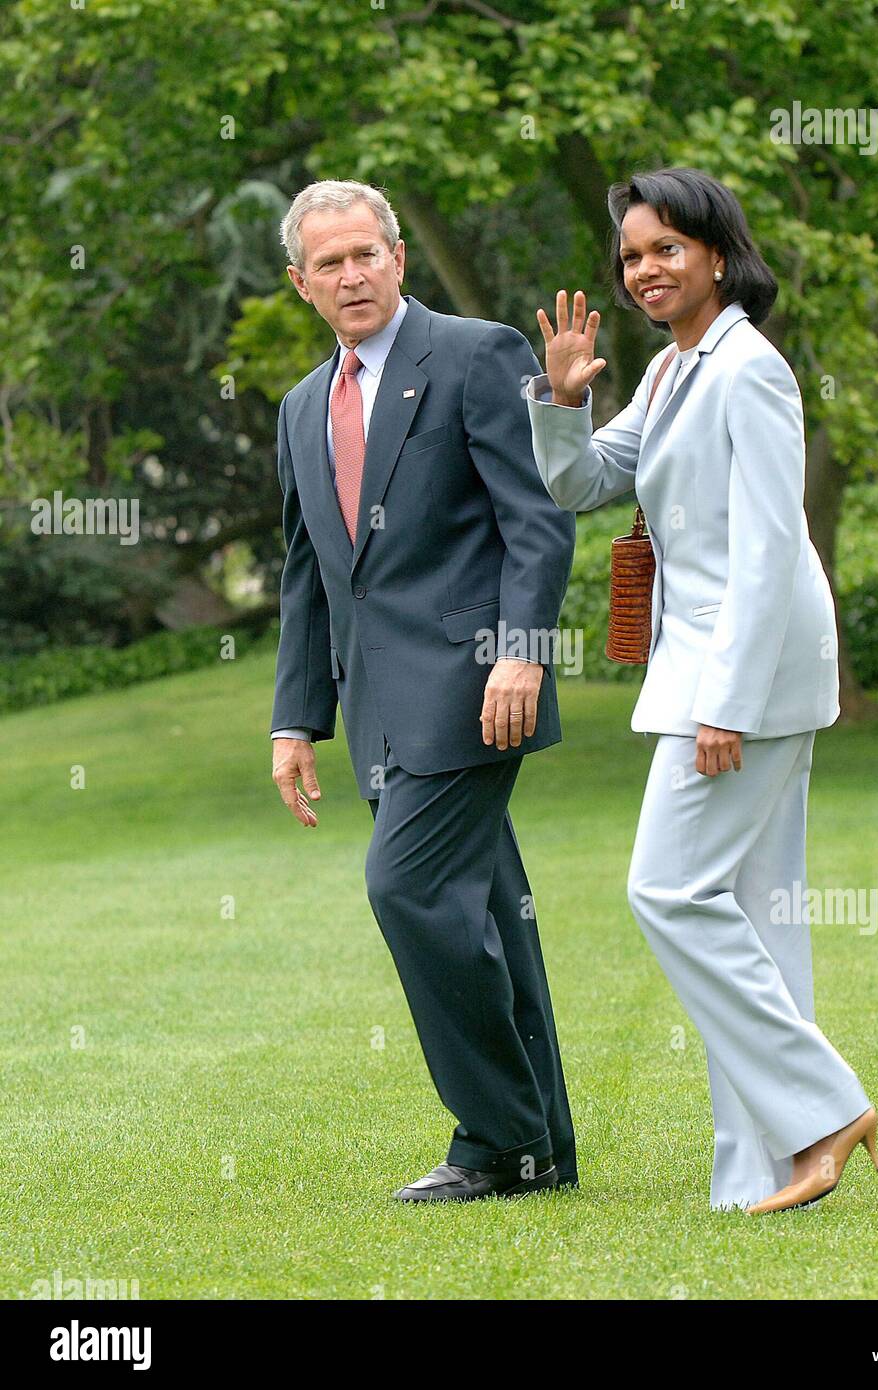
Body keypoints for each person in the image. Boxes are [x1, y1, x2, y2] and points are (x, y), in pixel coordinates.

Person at [526, 167, 878, 1213]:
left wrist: (723, 699)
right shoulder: (675, 372)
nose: (645, 269)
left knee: (666, 890)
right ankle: (764, 1165)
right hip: (716, 674)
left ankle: (823, 1108)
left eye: (666, 249)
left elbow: (775, 549)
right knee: (757, 915)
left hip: (745, 680)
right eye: (632, 255)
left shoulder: (748, 371)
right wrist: (561, 397)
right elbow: (583, 483)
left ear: (717, 253)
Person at [270, 179, 578, 1202]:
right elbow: (311, 572)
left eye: (367, 253)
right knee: (489, 912)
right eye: (330, 264)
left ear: (399, 256)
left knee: (403, 889)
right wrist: (293, 717)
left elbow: (535, 519)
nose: (352, 275)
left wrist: (524, 651)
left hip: (477, 684)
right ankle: (542, 1152)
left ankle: (493, 1138)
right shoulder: (301, 407)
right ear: (301, 283)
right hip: (376, 711)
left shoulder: (478, 352)